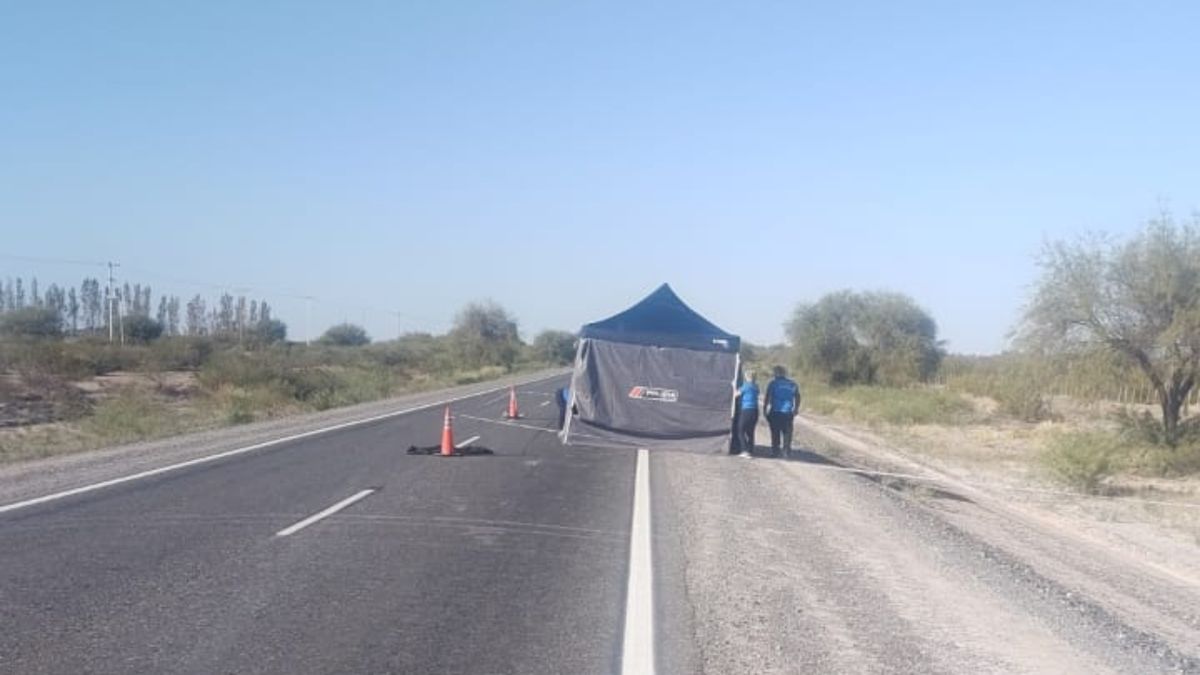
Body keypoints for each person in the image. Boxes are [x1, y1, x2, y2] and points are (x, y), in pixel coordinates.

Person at [763, 365, 800, 457]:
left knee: (775, 432)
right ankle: (786, 451)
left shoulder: (773, 383)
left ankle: (775, 451)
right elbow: (798, 396)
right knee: (787, 433)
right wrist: (796, 408)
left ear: (777, 373)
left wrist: (764, 409)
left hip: (775, 411)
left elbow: (767, 397)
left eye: (774, 373)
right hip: (787, 412)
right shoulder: (792, 384)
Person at [735, 371, 760, 458]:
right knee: (750, 431)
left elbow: (736, 395)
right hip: (755, 411)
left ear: (747, 377)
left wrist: (732, 386)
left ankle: (745, 450)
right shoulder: (756, 386)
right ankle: (750, 450)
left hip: (746, 410)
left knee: (740, 430)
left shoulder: (745, 386)